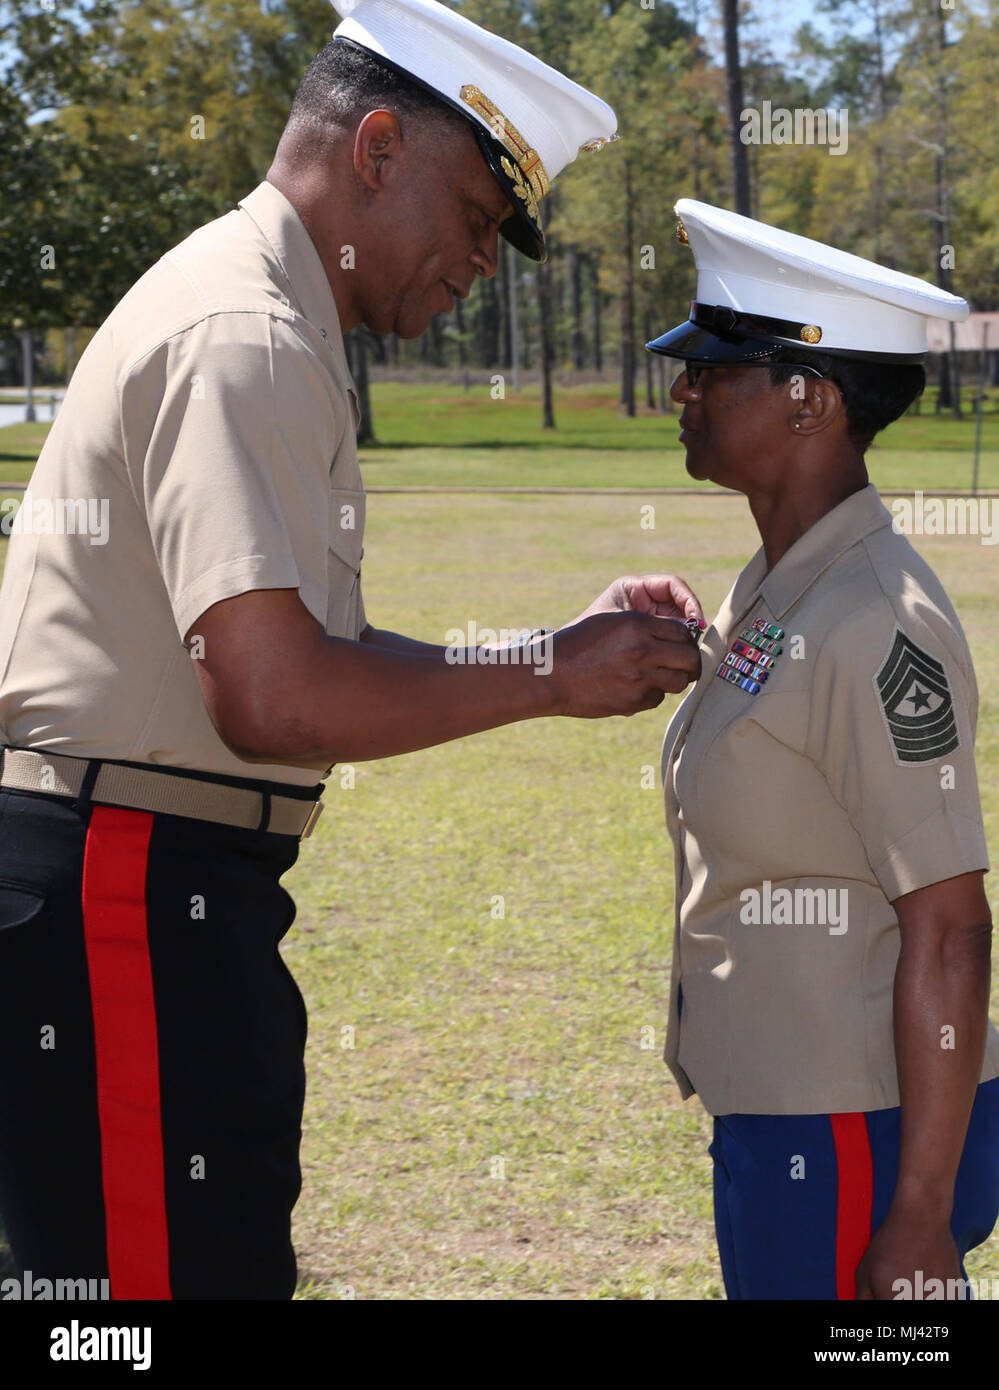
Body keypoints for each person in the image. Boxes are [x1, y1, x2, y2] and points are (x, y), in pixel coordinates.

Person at [0, 0, 704, 1301]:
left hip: (155, 886)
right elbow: (273, 693)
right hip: (125, 892)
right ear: (375, 148)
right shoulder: (248, 334)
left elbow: (313, 649)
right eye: (479, 223)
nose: (482, 267)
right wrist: (552, 671)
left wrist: (555, 647)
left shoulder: (272, 314)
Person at [646, 199, 999, 1301]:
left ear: (813, 401)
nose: (682, 390)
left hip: (856, 1134)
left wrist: (922, 1216)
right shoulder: (784, 583)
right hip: (792, 1115)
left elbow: (948, 928)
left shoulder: (877, 618)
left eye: (716, 368)